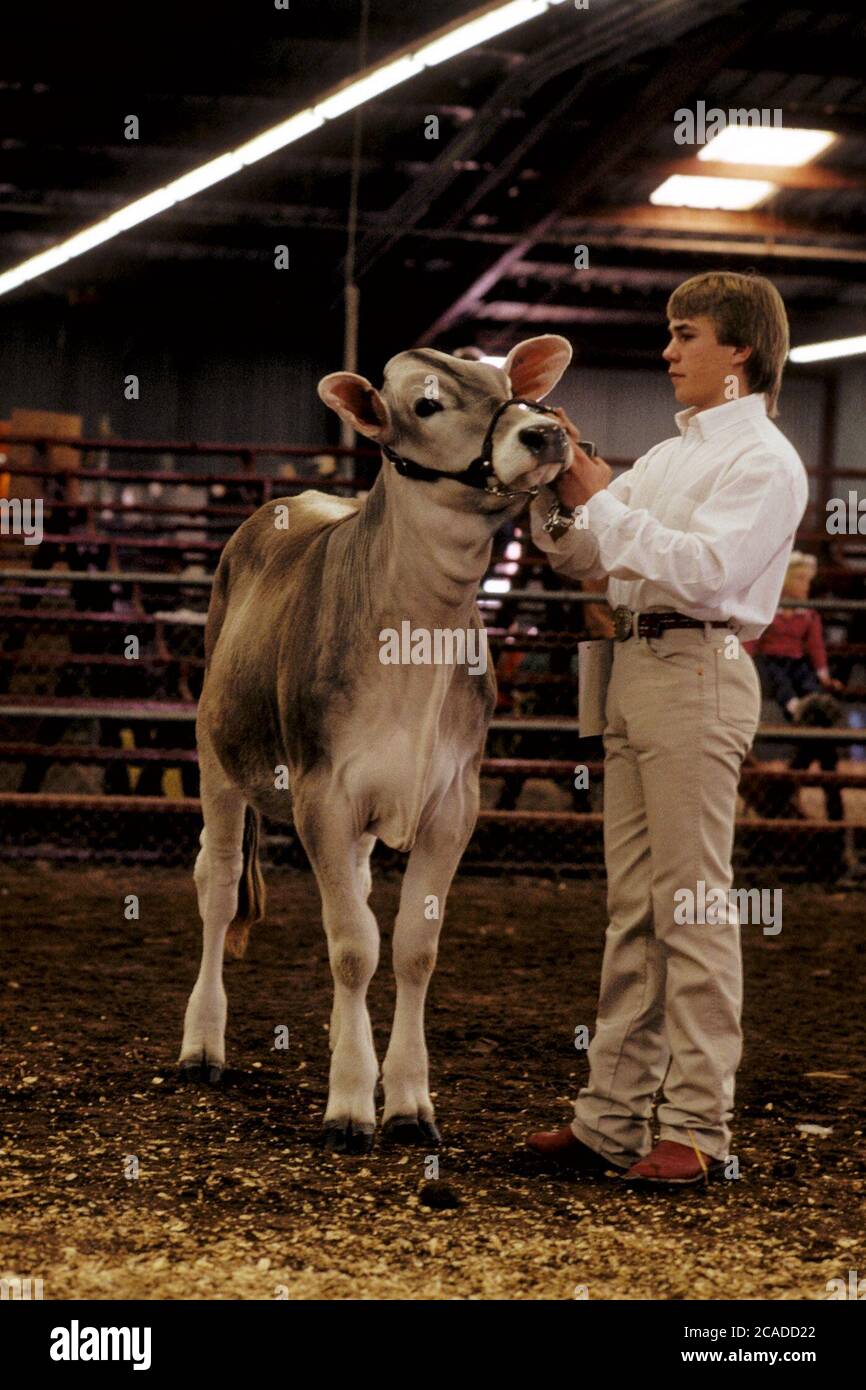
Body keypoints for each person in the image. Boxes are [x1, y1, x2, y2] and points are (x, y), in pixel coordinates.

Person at [526, 271, 809, 1185]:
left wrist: (603, 500)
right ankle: (611, 1118)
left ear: (740, 352)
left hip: (698, 663)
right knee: (635, 908)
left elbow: (710, 573)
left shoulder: (763, 461)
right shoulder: (669, 456)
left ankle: (698, 1126)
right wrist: (560, 485)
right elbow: (585, 555)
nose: (669, 350)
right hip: (640, 665)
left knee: (689, 907)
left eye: (685, 335)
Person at [745, 552, 845, 821]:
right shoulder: (771, 608)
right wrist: (739, 660)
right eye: (800, 579)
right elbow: (753, 641)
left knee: (809, 686)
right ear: (787, 581)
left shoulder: (808, 614)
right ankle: (835, 811)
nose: (805, 585)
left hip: (796, 662)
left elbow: (815, 647)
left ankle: (810, 706)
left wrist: (823, 676)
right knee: (825, 740)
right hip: (773, 663)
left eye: (807, 580)